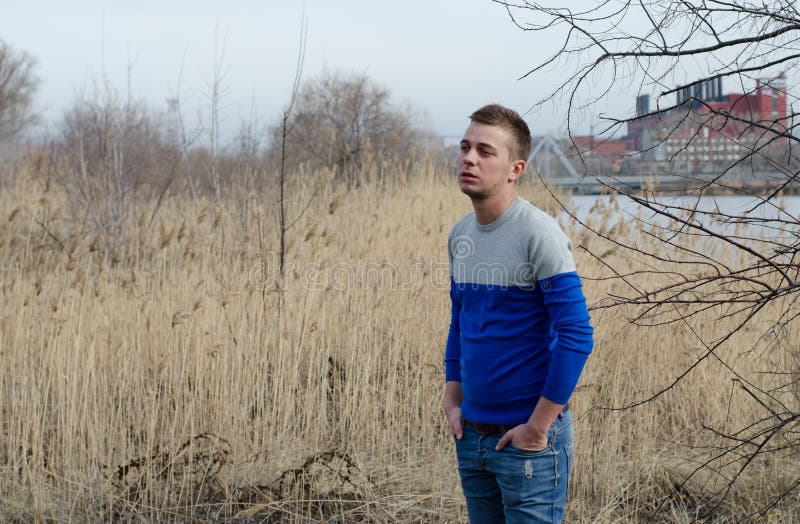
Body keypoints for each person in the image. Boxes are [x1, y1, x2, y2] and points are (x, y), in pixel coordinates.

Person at [443, 104, 594, 523]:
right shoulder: (461, 235)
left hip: (528, 445)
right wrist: (452, 392)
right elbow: (461, 320)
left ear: (515, 169)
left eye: (485, 151)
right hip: (472, 436)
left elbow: (577, 336)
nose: (469, 158)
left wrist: (539, 427)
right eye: (465, 147)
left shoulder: (538, 234)